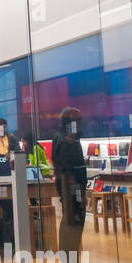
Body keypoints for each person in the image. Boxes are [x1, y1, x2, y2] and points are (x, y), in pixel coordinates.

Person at [51, 107, 87, 252]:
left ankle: (70, 262)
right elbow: (68, 168)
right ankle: (69, 261)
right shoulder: (66, 139)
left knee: (72, 219)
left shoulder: (66, 137)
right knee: (73, 219)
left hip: (73, 187)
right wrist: (80, 192)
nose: (80, 124)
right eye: (77, 121)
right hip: (73, 187)